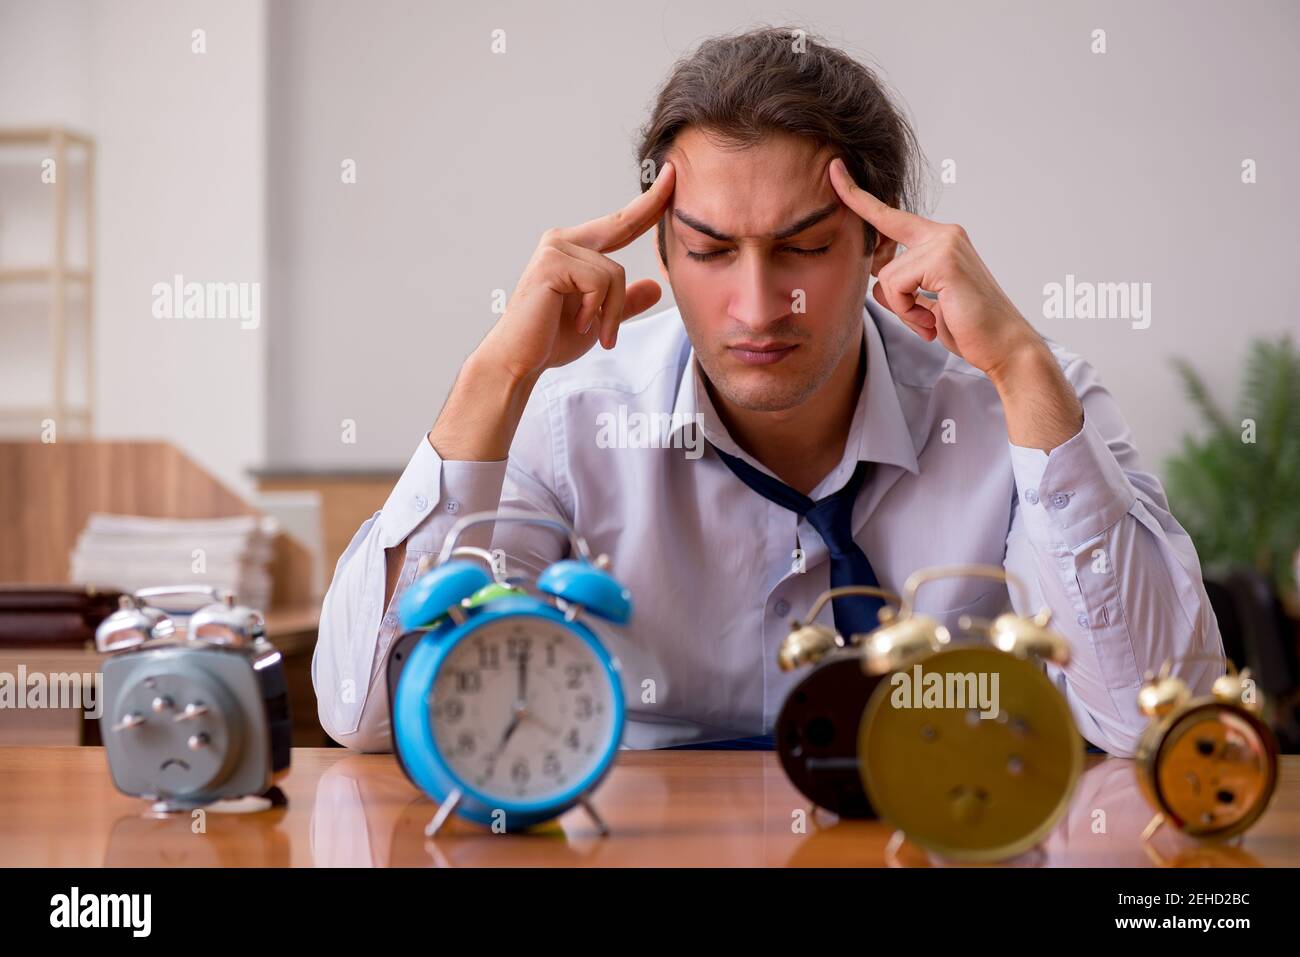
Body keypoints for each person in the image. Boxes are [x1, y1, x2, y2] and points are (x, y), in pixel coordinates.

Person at [311, 26, 1223, 755]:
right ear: (661, 251)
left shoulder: (1024, 404)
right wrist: (493, 377)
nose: (757, 305)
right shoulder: (569, 423)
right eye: (709, 252)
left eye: (805, 247)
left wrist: (1024, 366)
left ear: (879, 245)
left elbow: (1155, 720)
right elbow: (364, 711)